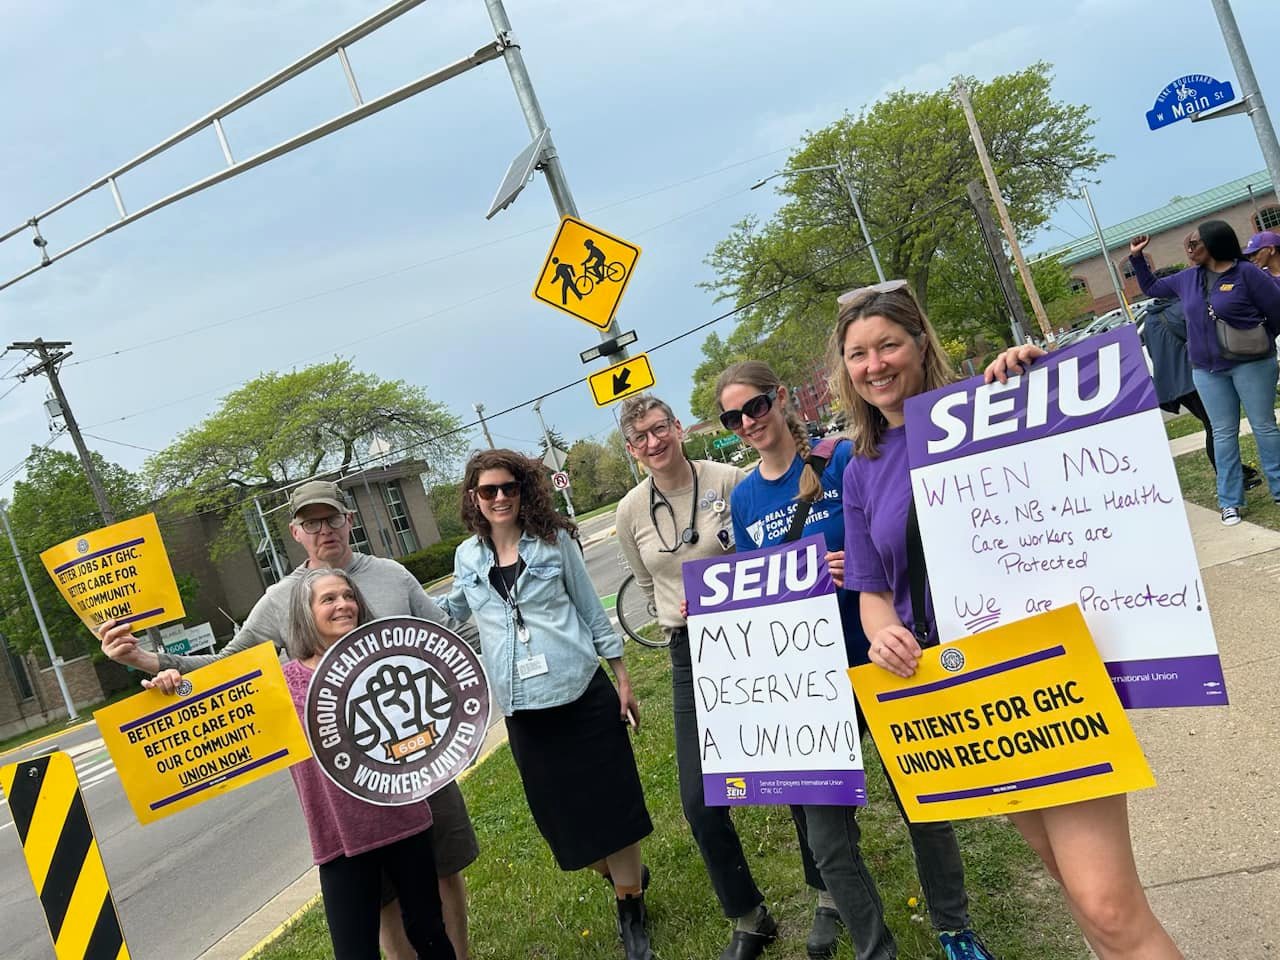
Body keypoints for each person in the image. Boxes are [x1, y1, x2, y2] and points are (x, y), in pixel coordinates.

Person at [834, 279, 1184, 959]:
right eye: (857, 354)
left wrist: (1029, 382)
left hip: (1049, 676)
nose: (874, 364)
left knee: (1111, 907)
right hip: (974, 697)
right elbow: (872, 588)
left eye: (888, 345)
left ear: (921, 343)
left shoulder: (986, 412)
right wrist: (882, 633)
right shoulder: (860, 466)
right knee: (1074, 891)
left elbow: (1073, 469)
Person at [99, 480, 480, 960]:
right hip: (345, 788)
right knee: (383, 900)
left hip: (418, 764)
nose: (325, 530)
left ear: (350, 520)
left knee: (441, 873)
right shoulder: (281, 599)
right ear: (295, 532)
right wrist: (148, 662)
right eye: (312, 523)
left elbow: (444, 639)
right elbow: (230, 667)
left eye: (333, 518)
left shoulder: (392, 575)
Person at [715, 361, 995, 960]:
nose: (748, 423)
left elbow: (893, 531)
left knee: (923, 802)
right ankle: (875, 949)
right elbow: (750, 588)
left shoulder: (840, 459)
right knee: (828, 841)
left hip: (880, 654)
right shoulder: (743, 497)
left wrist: (856, 566)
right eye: (733, 417)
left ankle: (954, 929)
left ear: (781, 398)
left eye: (757, 406)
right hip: (806, 684)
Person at [438, 450, 655, 960]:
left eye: (507, 488)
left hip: (582, 693)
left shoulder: (554, 544)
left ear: (522, 490)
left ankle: (632, 914)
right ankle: (625, 877)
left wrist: (622, 676)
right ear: (473, 497)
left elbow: (589, 610)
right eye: (487, 491)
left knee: (613, 809)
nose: (498, 498)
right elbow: (442, 617)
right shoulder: (467, 560)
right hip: (524, 710)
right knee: (565, 823)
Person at [614, 394, 783, 960]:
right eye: (640, 438)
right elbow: (645, 584)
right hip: (689, 653)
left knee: (795, 772)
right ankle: (748, 914)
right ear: (632, 449)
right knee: (699, 798)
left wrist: (728, 593)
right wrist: (676, 617)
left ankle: (829, 895)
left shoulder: (731, 481)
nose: (653, 443)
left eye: (660, 429)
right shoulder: (630, 511)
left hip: (756, 639)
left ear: (678, 427)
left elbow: (767, 553)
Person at [1130, 220, 1280, 525]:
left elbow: (1276, 310)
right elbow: (1151, 288)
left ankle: (1278, 487)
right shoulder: (1187, 279)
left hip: (1252, 363)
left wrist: (1262, 342)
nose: (1189, 249)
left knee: (1263, 427)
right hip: (1207, 370)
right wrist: (1137, 258)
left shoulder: (1247, 273)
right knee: (1223, 434)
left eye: (1194, 244)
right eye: (1188, 244)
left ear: (1213, 244)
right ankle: (1230, 501)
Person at [1141, 266, 1261, 488]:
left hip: (1175, 386)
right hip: (1195, 377)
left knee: (1214, 427)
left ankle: (1233, 472)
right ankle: (1231, 478)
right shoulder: (1181, 309)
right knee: (1217, 429)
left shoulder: (1150, 319)